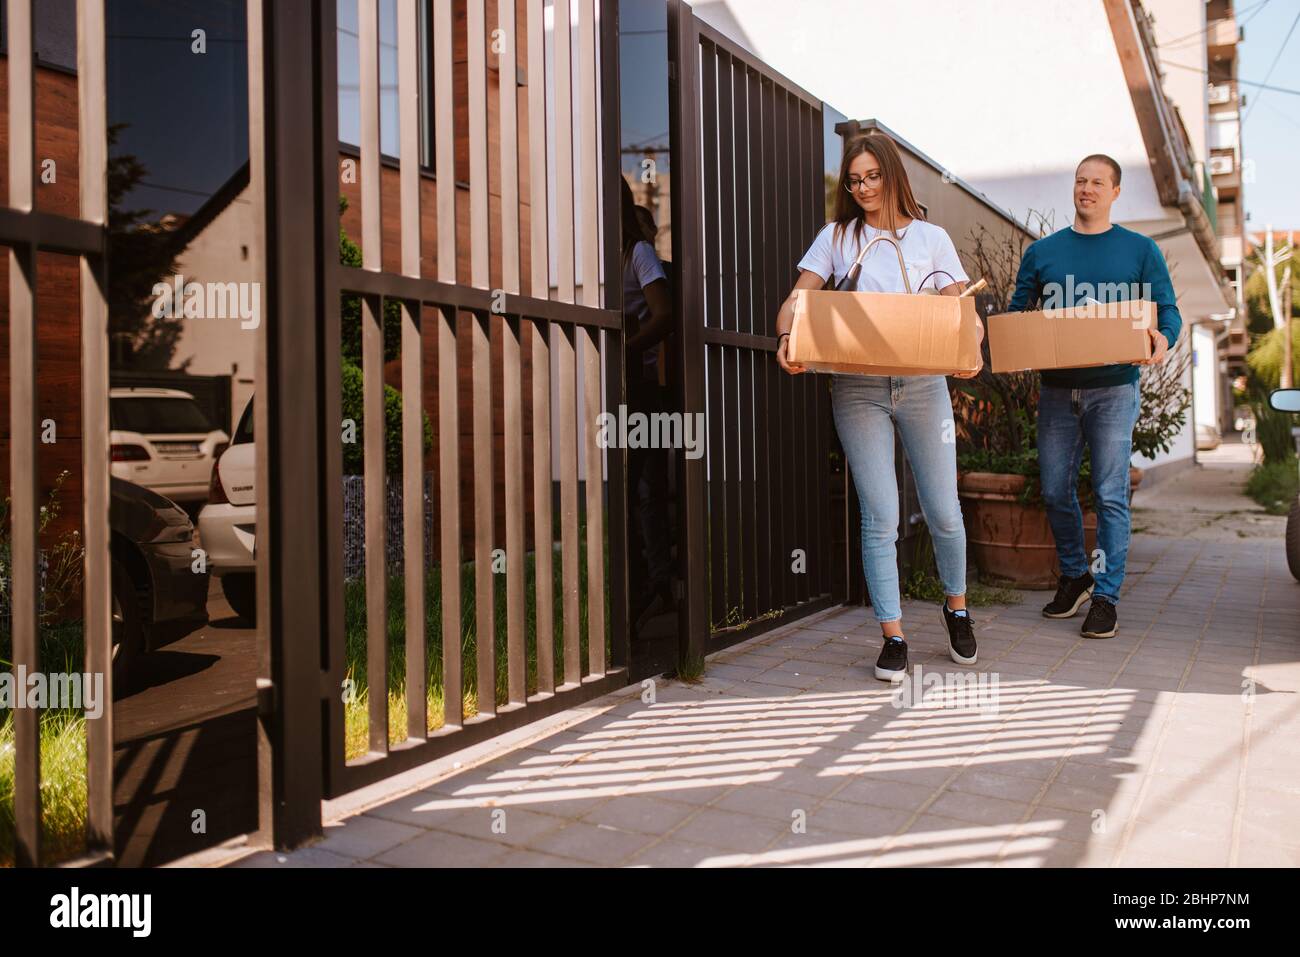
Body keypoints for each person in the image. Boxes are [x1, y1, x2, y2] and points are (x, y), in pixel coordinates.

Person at [775, 132, 982, 682]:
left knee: (943, 510)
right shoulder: (838, 238)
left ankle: (957, 608)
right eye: (855, 179)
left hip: (923, 387)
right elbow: (796, 303)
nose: (864, 188)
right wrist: (788, 336)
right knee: (881, 516)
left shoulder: (932, 239)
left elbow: (962, 311)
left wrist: (971, 349)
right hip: (857, 389)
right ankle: (893, 635)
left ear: (892, 175)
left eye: (873, 176)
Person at [1008, 154, 1181, 638]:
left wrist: (1162, 340)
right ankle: (1074, 574)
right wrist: (1015, 341)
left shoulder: (1140, 250)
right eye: (1081, 181)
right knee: (1054, 490)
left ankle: (1105, 596)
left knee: (1109, 494)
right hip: (1057, 391)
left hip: (1114, 388)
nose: (1087, 189)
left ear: (1115, 192)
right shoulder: (1043, 253)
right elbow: (1017, 313)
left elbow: (1167, 311)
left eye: (1098, 182)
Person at [619, 177, 675, 636]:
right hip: (615, 389)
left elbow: (664, 314)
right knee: (632, 489)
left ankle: (653, 585)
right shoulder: (603, 255)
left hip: (642, 389)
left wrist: (628, 348)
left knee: (644, 489)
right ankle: (646, 584)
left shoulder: (637, 254)